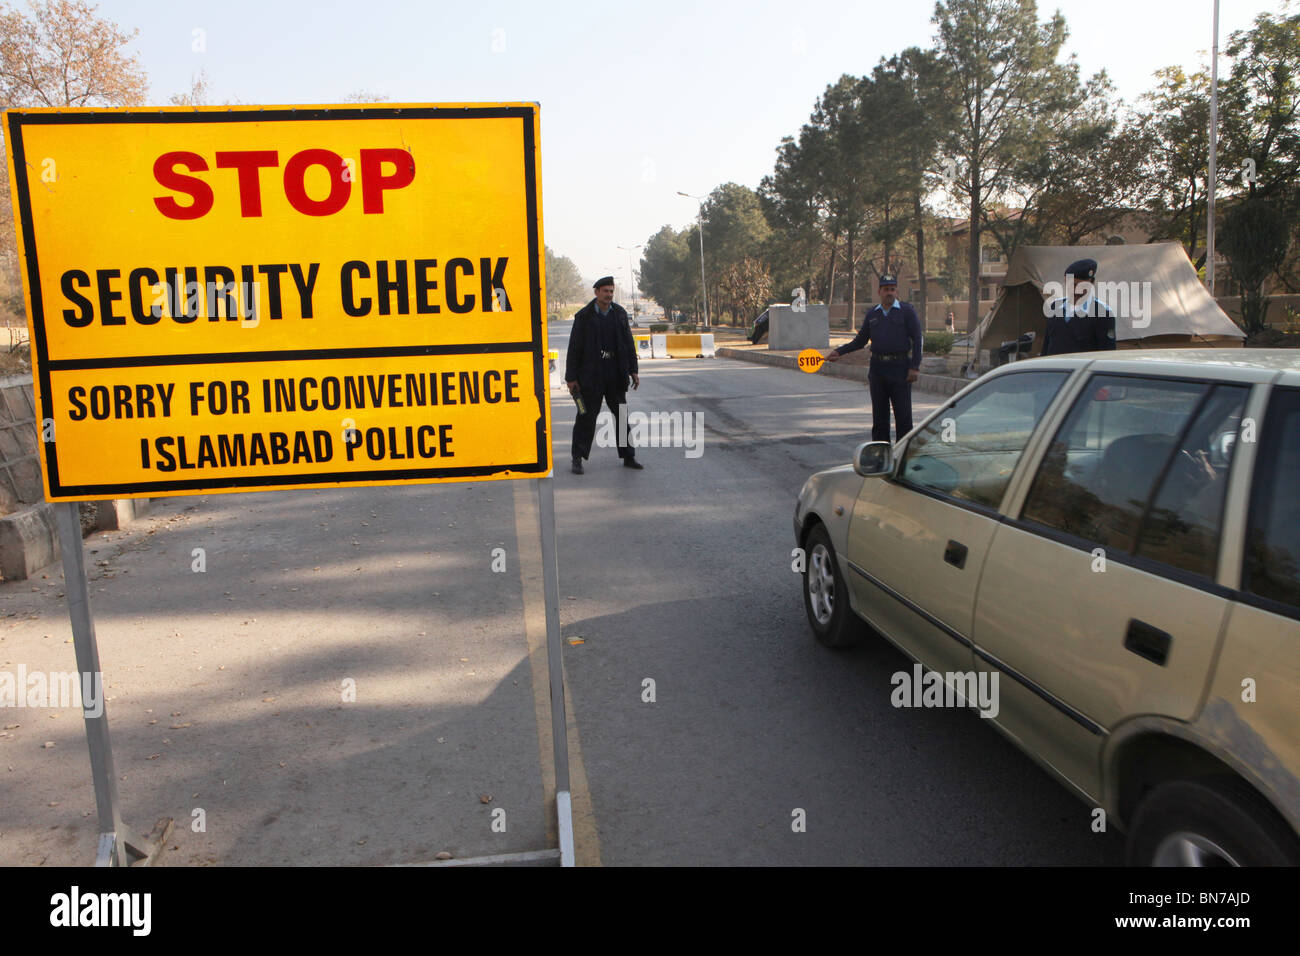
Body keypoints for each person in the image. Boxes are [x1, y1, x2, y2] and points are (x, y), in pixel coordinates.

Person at [824, 274, 923, 442]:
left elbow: (918, 339)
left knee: (904, 418)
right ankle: (880, 457)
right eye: (886, 289)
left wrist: (915, 367)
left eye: (892, 289)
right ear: (879, 292)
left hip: (900, 369)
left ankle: (904, 458)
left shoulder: (907, 312)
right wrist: (839, 352)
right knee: (879, 419)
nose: (889, 293)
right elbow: (860, 341)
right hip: (878, 370)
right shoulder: (872, 314)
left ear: (897, 291)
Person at [565, 276, 642, 474]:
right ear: (596, 292)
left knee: (621, 415)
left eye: (611, 291)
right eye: (605, 291)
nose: (609, 295)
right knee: (586, 417)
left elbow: (628, 344)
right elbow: (574, 348)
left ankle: (628, 456)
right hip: (591, 376)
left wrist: (633, 370)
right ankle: (577, 458)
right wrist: (571, 378)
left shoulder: (620, 314)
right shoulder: (584, 316)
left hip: (615, 374)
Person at [1040, 258, 1116, 356]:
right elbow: (1047, 345)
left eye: (1079, 285)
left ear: (1091, 283)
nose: (1074, 289)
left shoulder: (1102, 313)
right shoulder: (1055, 306)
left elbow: (1107, 355)